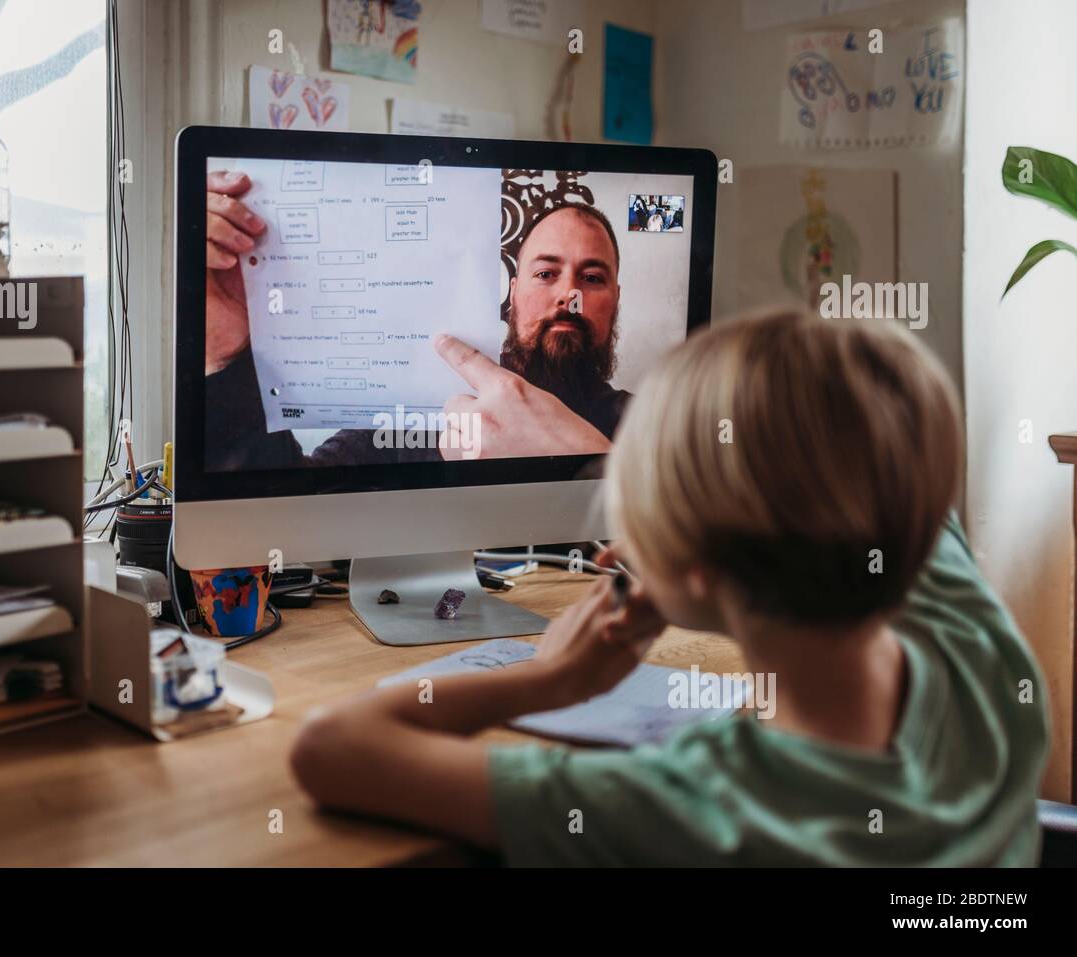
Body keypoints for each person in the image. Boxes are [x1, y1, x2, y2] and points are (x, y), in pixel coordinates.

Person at [289, 309, 1050, 866]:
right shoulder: (980, 658)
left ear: (691, 567)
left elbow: (329, 747)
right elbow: (867, 460)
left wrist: (549, 678)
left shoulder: (692, 803)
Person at [203, 170, 630, 468]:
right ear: (513, 291)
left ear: (616, 299)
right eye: (546, 274)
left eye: (592, 278)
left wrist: (587, 461)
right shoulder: (421, 404)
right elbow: (295, 507)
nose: (569, 296)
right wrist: (227, 356)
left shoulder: (652, 429)